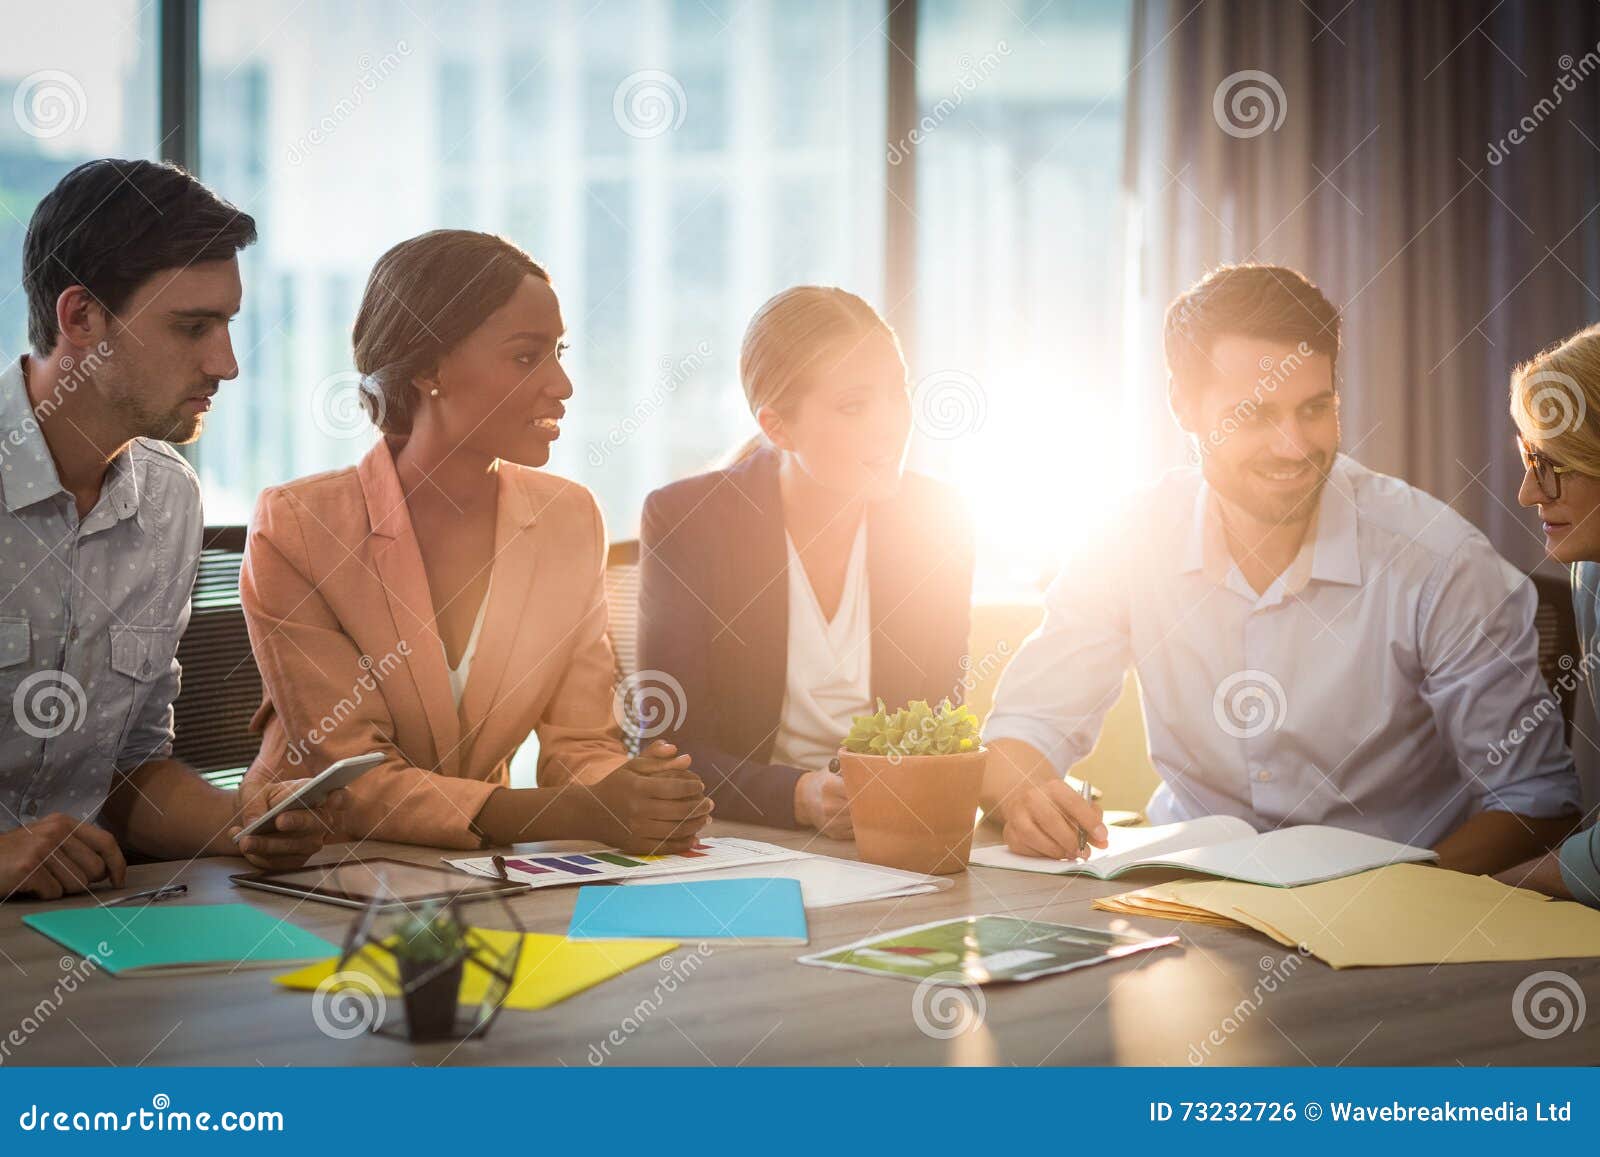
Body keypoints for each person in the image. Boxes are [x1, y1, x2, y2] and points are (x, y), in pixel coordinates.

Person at [980, 262, 1579, 874]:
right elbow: (1025, 729)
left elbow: (1534, 803)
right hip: (1186, 898)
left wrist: (1392, 897)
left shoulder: (1439, 562)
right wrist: (1024, 796)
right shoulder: (1125, 540)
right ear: (1182, 405)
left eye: (1314, 409)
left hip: (1384, 914)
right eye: (1258, 415)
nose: (1293, 445)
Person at [240, 229, 712, 852]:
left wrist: (632, 793)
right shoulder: (299, 527)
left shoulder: (569, 518)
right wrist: (578, 814)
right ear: (430, 367)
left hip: (474, 872)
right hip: (307, 866)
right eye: (526, 356)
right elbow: (352, 781)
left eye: (559, 352)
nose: (563, 385)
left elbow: (581, 745)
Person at [0, 159, 348, 902]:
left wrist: (243, 820)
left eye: (227, 324)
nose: (225, 363)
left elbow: (130, 770)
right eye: (193, 327)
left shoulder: (168, 497)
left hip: (80, 931)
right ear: (81, 318)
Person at [638, 286, 974, 834]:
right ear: (777, 427)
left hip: (889, 838)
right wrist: (794, 795)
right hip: (742, 837)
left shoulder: (939, 520)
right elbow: (666, 748)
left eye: (898, 392)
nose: (892, 423)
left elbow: (941, 727)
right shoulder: (688, 520)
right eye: (854, 405)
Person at [1496, 324, 1600, 905]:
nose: (1529, 493)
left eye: (1553, 464)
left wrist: (1504, 891)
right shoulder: (1592, 570)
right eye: (1529, 459)